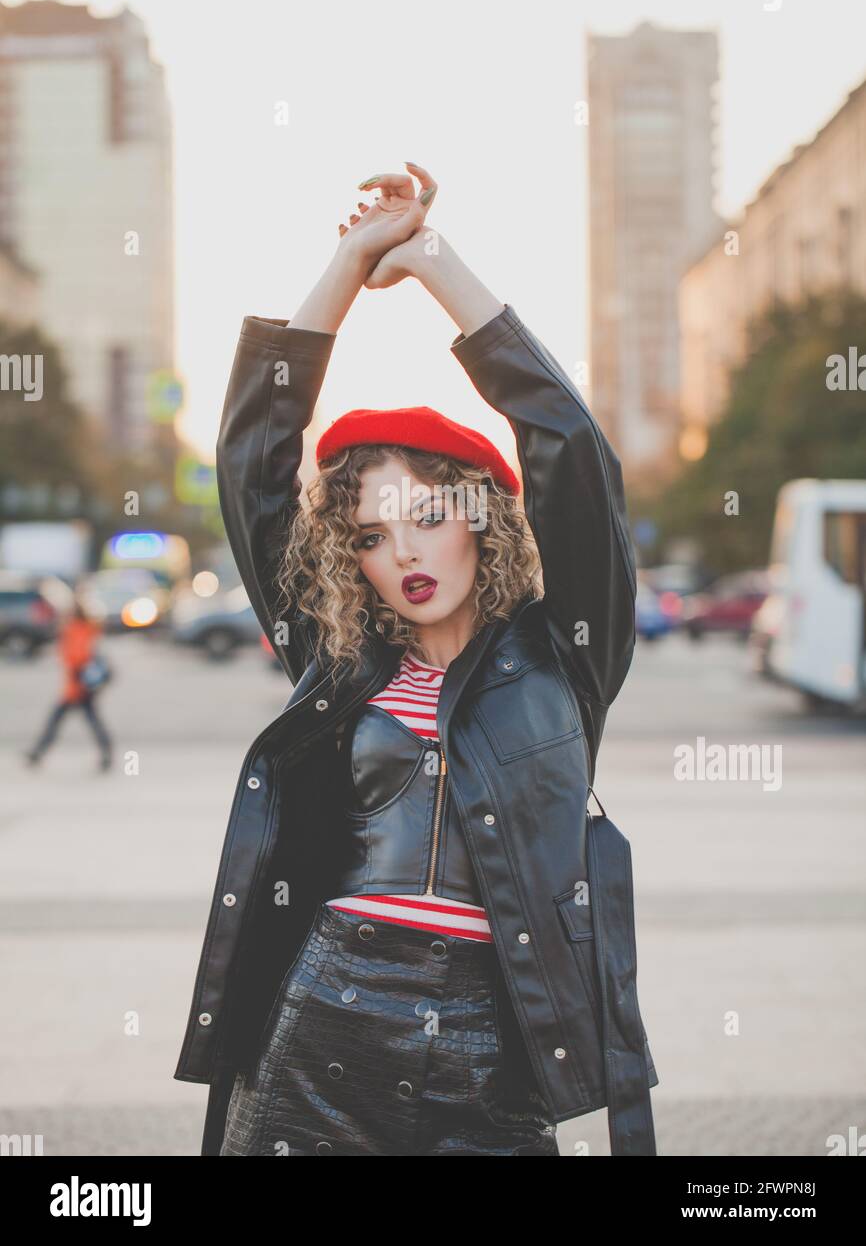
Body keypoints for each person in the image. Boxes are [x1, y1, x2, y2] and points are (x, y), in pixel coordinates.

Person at [176, 161, 658, 1157]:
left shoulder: (563, 654)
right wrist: (348, 263)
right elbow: (252, 460)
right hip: (321, 1027)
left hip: (497, 1048)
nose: (401, 552)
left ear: (480, 520)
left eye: (429, 517)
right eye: (368, 533)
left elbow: (569, 447)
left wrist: (431, 259)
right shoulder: (332, 650)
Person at [25, 595, 112, 772]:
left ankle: (38, 752)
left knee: (63, 720)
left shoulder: (76, 630)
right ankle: (38, 752)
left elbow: (78, 658)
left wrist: (78, 684)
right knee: (84, 720)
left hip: (78, 686)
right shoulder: (82, 629)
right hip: (77, 686)